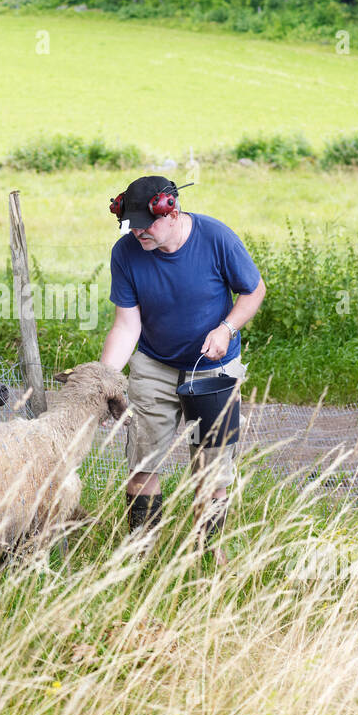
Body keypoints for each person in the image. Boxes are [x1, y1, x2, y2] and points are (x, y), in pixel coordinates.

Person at [99, 175, 265, 550]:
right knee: (143, 465)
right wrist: (105, 378)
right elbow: (126, 325)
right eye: (132, 225)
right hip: (154, 367)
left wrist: (226, 328)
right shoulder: (125, 252)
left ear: (171, 211)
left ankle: (209, 557)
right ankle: (142, 556)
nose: (138, 233)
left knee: (212, 470)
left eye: (146, 224)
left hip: (213, 373)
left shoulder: (215, 238)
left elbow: (253, 290)